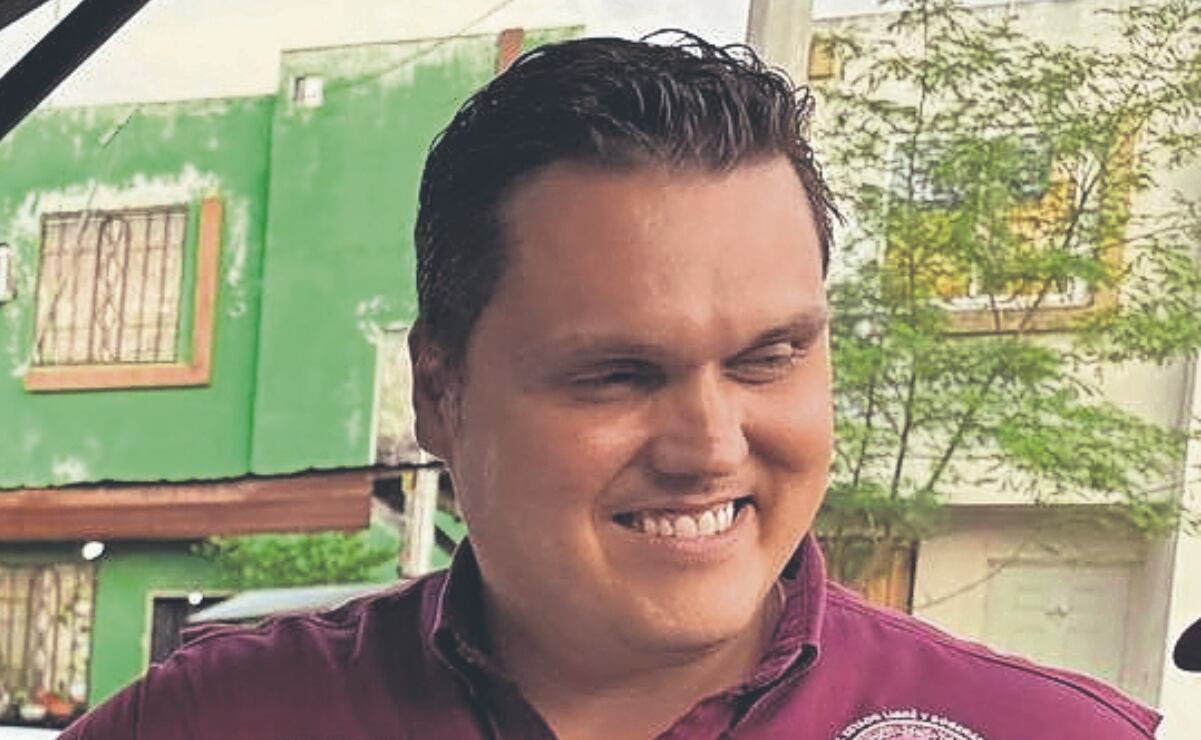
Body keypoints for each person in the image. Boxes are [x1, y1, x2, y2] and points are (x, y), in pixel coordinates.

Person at [61, 33, 1160, 740]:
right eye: (617, 375)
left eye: (767, 357)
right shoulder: (220, 720)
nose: (708, 444)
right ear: (438, 394)